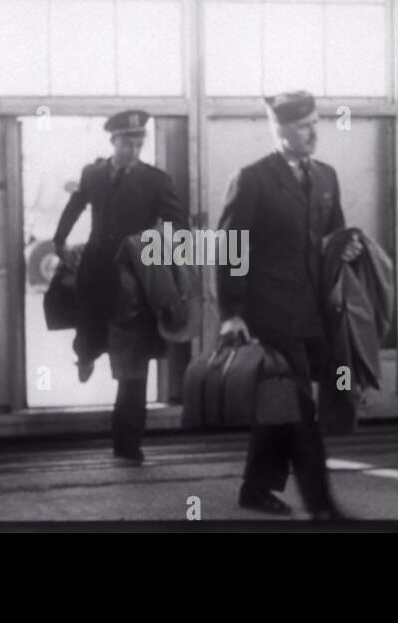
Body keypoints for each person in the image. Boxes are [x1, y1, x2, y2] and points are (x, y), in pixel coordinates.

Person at [216, 90, 363, 519]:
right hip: (271, 315)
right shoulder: (253, 178)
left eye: (316, 123)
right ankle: (323, 506)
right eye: (303, 125)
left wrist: (347, 250)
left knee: (281, 402)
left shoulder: (326, 178)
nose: (313, 132)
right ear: (278, 130)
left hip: (317, 314)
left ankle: (256, 488)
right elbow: (231, 249)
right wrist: (232, 313)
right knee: (300, 409)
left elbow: (335, 237)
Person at [53, 109, 187, 464]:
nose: (134, 148)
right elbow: (76, 204)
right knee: (87, 336)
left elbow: (178, 229)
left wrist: (149, 245)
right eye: (127, 141)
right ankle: (85, 356)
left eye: (139, 141)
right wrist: (59, 242)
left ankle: (127, 445)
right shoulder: (93, 173)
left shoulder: (158, 181)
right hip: (95, 274)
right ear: (112, 141)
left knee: (133, 364)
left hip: (134, 280)